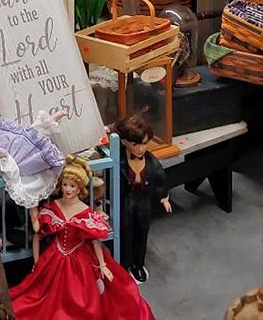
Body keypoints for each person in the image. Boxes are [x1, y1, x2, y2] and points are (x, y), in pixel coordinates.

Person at [10, 154, 155, 320]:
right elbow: (38, 236)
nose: (68, 189)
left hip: (80, 258)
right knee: (41, 294)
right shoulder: (53, 207)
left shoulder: (85, 212)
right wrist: (36, 263)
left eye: (72, 186)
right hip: (54, 256)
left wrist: (102, 265)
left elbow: (95, 241)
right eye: (65, 185)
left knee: (85, 298)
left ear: (80, 188)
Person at [117, 112, 171, 284]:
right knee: (125, 232)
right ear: (124, 141)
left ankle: (138, 265)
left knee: (142, 231)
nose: (141, 148)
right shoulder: (118, 159)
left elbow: (160, 175)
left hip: (143, 199)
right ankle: (124, 265)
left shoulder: (151, 160)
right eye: (135, 144)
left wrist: (164, 197)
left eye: (144, 144)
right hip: (125, 200)